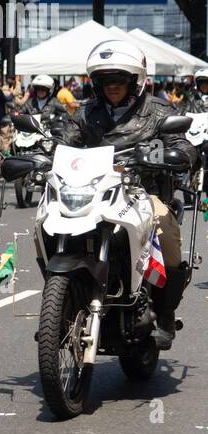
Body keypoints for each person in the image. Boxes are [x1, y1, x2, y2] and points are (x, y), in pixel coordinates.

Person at [57, 39, 191, 348]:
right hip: (92, 190)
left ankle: (165, 312)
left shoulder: (158, 109)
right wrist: (44, 153)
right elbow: (63, 142)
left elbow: (181, 144)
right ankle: (63, 299)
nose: (112, 85)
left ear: (135, 80)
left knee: (162, 223)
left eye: (118, 78)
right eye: (105, 79)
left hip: (140, 193)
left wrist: (177, 154)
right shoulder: (86, 112)